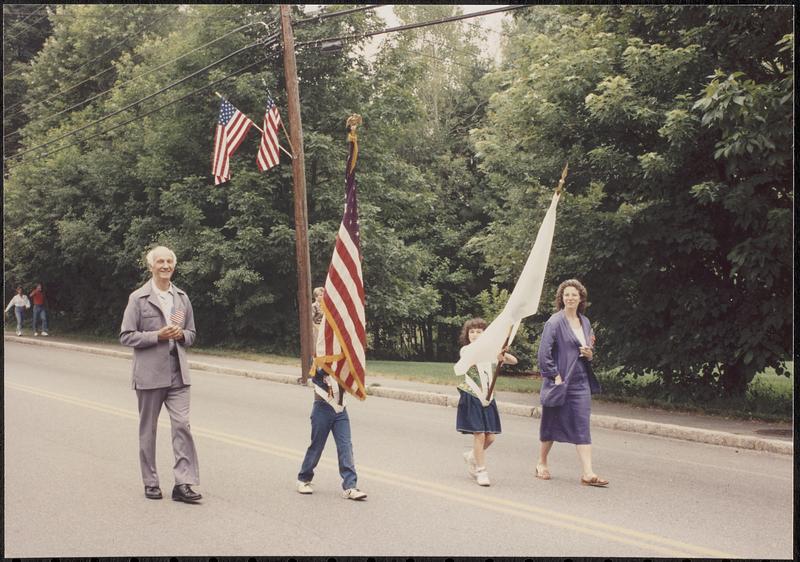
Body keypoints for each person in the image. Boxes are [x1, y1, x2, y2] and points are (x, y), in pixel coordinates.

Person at [120, 245, 202, 503]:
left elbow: (191, 334)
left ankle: (184, 483)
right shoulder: (138, 298)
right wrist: (157, 335)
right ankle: (151, 482)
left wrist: (181, 335)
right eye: (160, 262)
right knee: (149, 430)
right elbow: (126, 335)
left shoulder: (181, 298)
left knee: (182, 426)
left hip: (178, 375)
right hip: (150, 375)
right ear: (151, 266)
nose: (165, 266)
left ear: (173, 266)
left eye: (169, 262)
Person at [536, 279, 607, 487]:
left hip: (581, 381)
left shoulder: (585, 322)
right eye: (566, 294)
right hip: (560, 382)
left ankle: (588, 473)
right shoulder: (554, 322)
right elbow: (543, 353)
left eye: (574, 295)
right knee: (551, 422)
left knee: (582, 424)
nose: (570, 298)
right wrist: (553, 375)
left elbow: (590, 350)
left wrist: (589, 354)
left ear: (581, 298)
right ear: (561, 298)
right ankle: (541, 462)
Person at [456, 317, 518, 487]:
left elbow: (514, 361)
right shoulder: (466, 350)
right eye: (472, 332)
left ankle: (471, 456)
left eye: (479, 331)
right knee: (480, 434)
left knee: (490, 438)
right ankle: (480, 470)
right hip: (472, 395)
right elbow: (472, 357)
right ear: (467, 335)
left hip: (488, 397)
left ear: (486, 334)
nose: (475, 334)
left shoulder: (492, 351)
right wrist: (492, 352)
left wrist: (502, 353)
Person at [296, 367, 367, 501]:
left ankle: (350, 486)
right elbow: (319, 372)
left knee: (345, 446)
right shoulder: (321, 358)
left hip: (341, 410)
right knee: (317, 446)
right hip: (322, 408)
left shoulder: (344, 361)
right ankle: (303, 478)